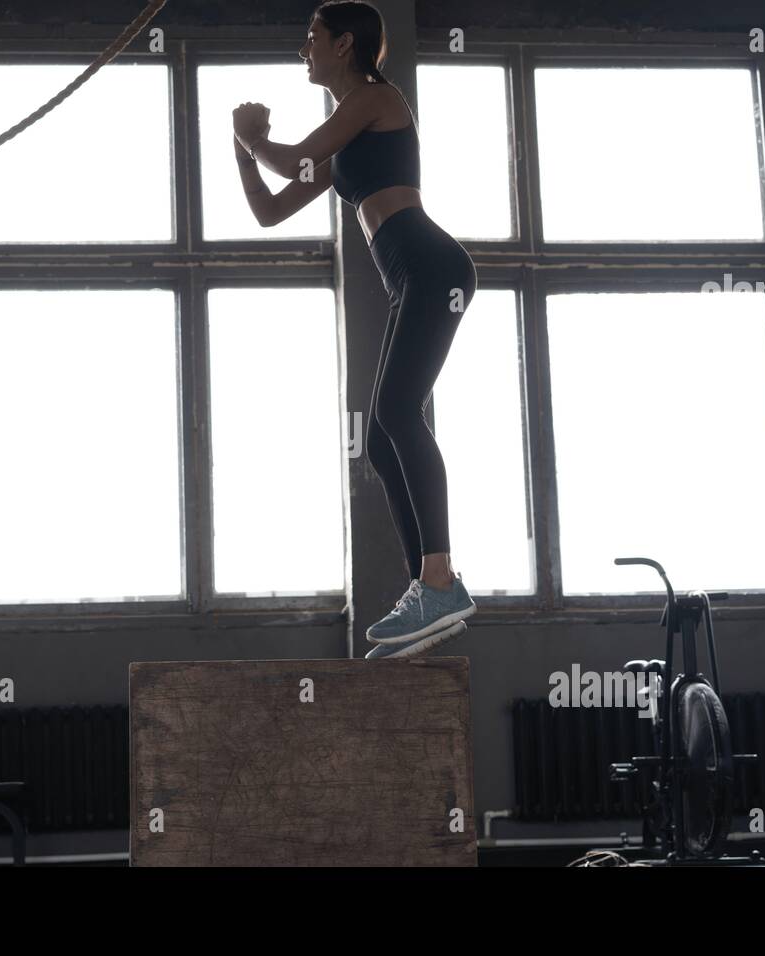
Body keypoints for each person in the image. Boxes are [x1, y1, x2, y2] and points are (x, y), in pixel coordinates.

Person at [232, 1, 477, 659]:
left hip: (431, 265)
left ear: (344, 44)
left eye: (310, 37)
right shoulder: (344, 140)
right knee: (378, 438)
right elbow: (271, 208)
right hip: (410, 281)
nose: (303, 48)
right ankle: (425, 590)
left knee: (399, 413)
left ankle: (440, 579)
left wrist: (256, 136)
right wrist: (243, 150)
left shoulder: (375, 97)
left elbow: (287, 162)